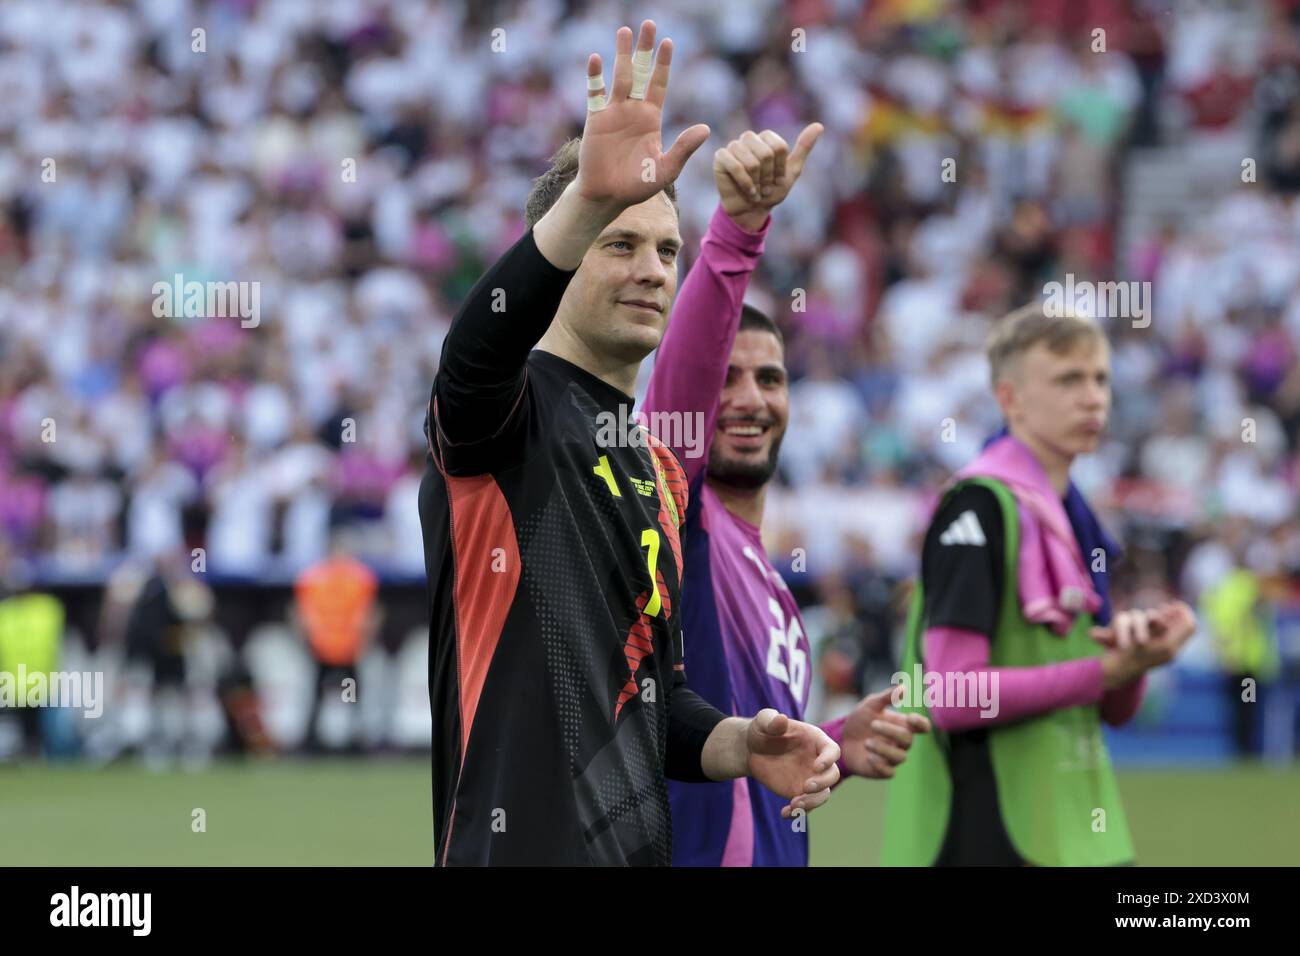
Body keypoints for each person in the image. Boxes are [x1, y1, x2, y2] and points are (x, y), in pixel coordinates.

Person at [418, 20, 839, 866]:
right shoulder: (508, 418)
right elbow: (473, 354)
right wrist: (586, 200)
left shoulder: (658, 468)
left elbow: (653, 694)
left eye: (666, 250)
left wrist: (736, 746)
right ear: (565, 254)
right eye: (620, 243)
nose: (652, 268)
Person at [641, 125, 930, 866]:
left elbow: (747, 753)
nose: (749, 398)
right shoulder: (682, 523)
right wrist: (737, 233)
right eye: (727, 376)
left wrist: (834, 741)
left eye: (769, 379)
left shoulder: (777, 596)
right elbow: (676, 404)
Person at [882, 305, 1197, 866]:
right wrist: (1105, 672)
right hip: (993, 835)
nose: (1093, 396)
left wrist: (1135, 659)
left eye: (1100, 378)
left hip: (1077, 832)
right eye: (1068, 379)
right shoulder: (979, 506)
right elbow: (952, 696)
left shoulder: (1077, 519)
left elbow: (1112, 709)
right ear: (1010, 398)